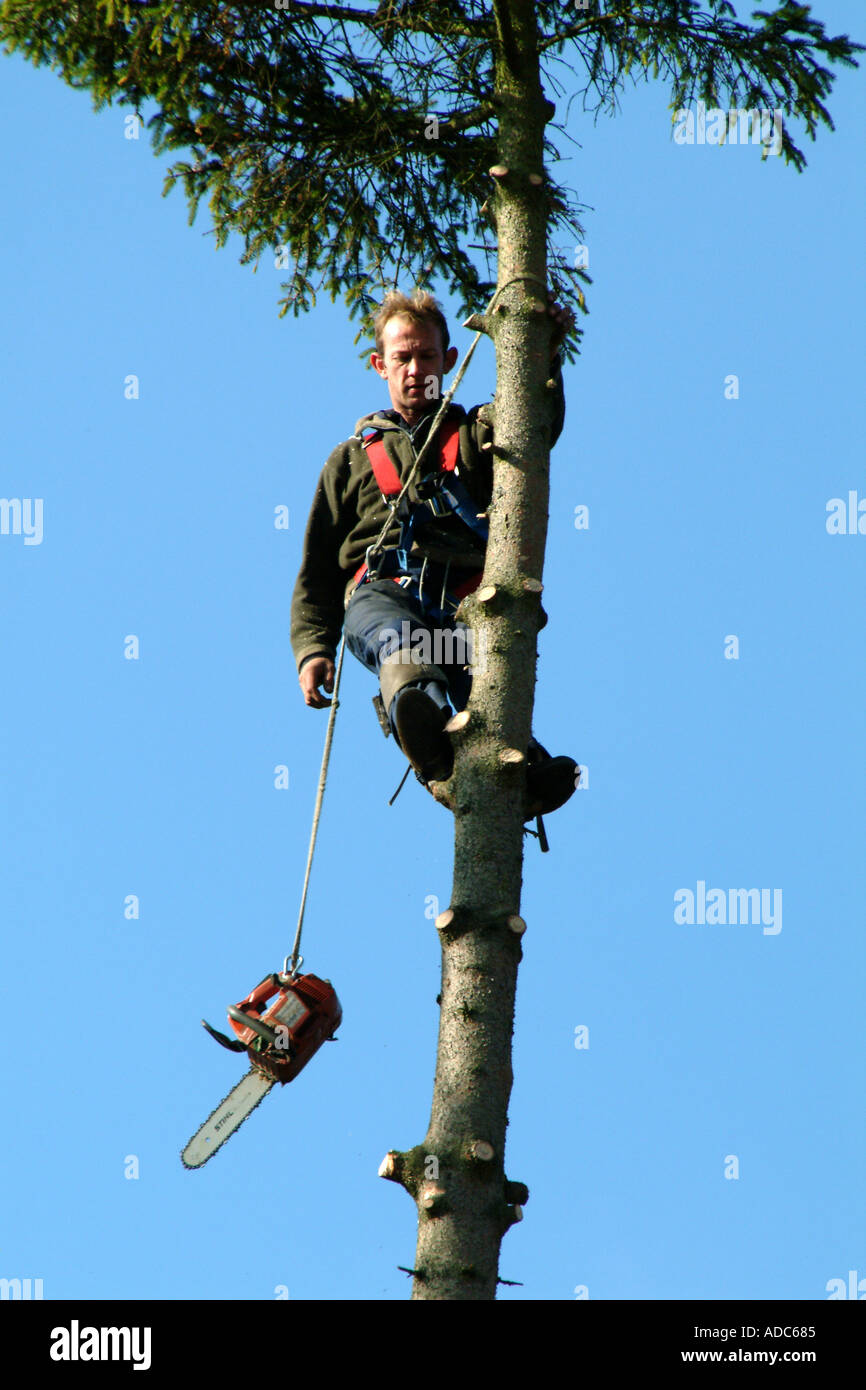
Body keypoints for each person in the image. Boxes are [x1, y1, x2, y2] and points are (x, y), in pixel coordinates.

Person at [291, 289, 578, 819]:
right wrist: (313, 649)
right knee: (401, 648)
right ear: (381, 364)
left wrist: (545, 352)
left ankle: (521, 772)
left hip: (462, 603)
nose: (415, 368)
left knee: (483, 687)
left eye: (427, 356)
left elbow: (536, 423)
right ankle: (418, 717)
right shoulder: (352, 459)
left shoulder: (475, 434)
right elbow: (317, 569)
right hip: (382, 594)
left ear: (448, 360)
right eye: (402, 356)